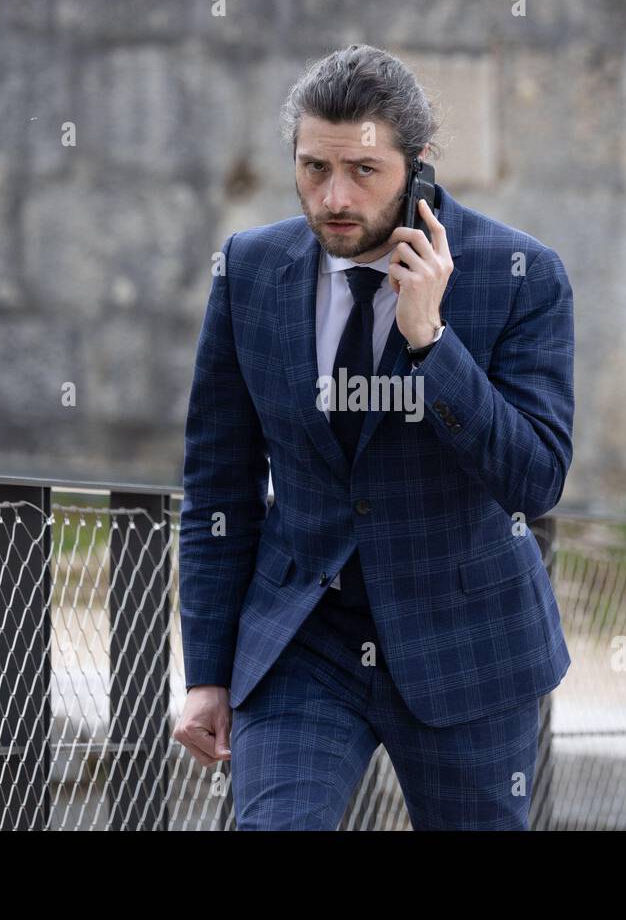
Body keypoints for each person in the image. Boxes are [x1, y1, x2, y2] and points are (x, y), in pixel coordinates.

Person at [174, 43, 574, 829]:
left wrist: (433, 345)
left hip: (466, 649)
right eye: (313, 168)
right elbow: (219, 484)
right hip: (303, 640)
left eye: (363, 171)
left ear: (419, 166)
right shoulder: (250, 270)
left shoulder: (521, 274)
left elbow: (536, 478)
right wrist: (207, 672)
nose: (333, 197)